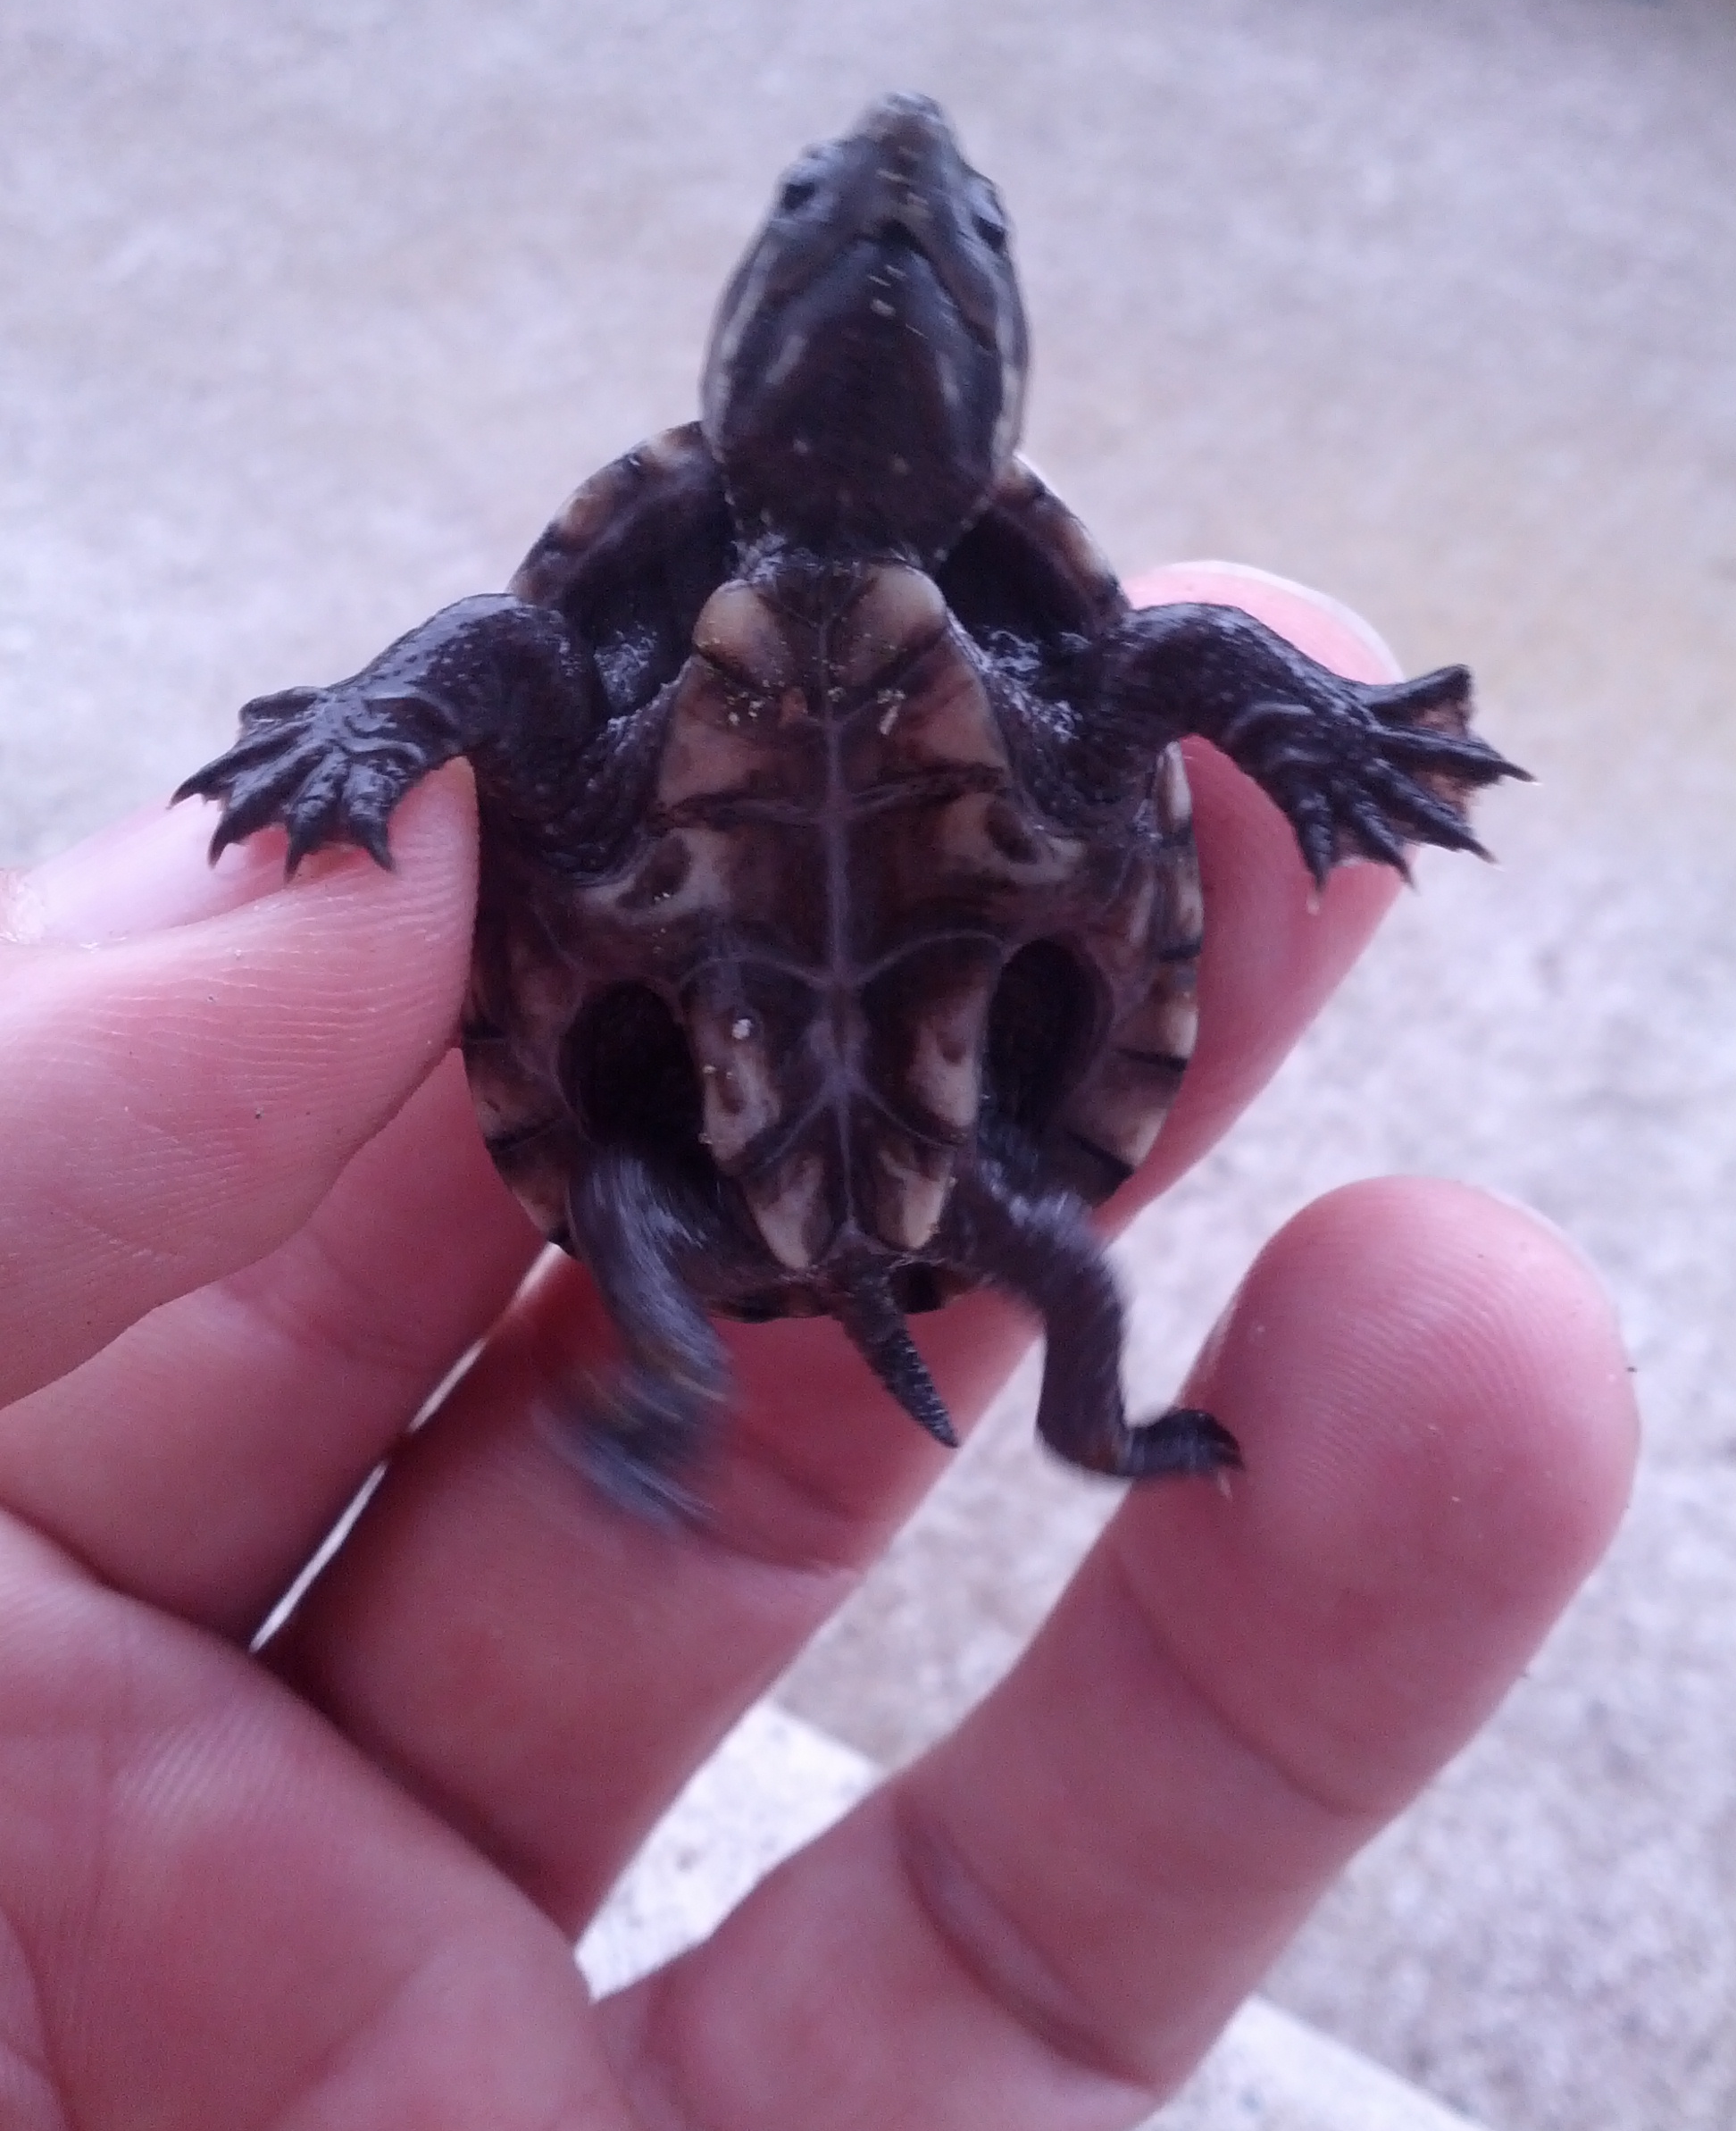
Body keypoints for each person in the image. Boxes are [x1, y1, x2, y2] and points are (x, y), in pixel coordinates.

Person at [0, 567, 1633, 2129]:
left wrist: (1318, 736)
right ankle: (693, 1389)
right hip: (835, 1122)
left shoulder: (970, 659)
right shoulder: (740, 656)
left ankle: (1052, 1420)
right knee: (792, 1229)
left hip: (868, 1129)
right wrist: (370, 725)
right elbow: (504, 654)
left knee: (947, 1249)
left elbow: (1164, 662)